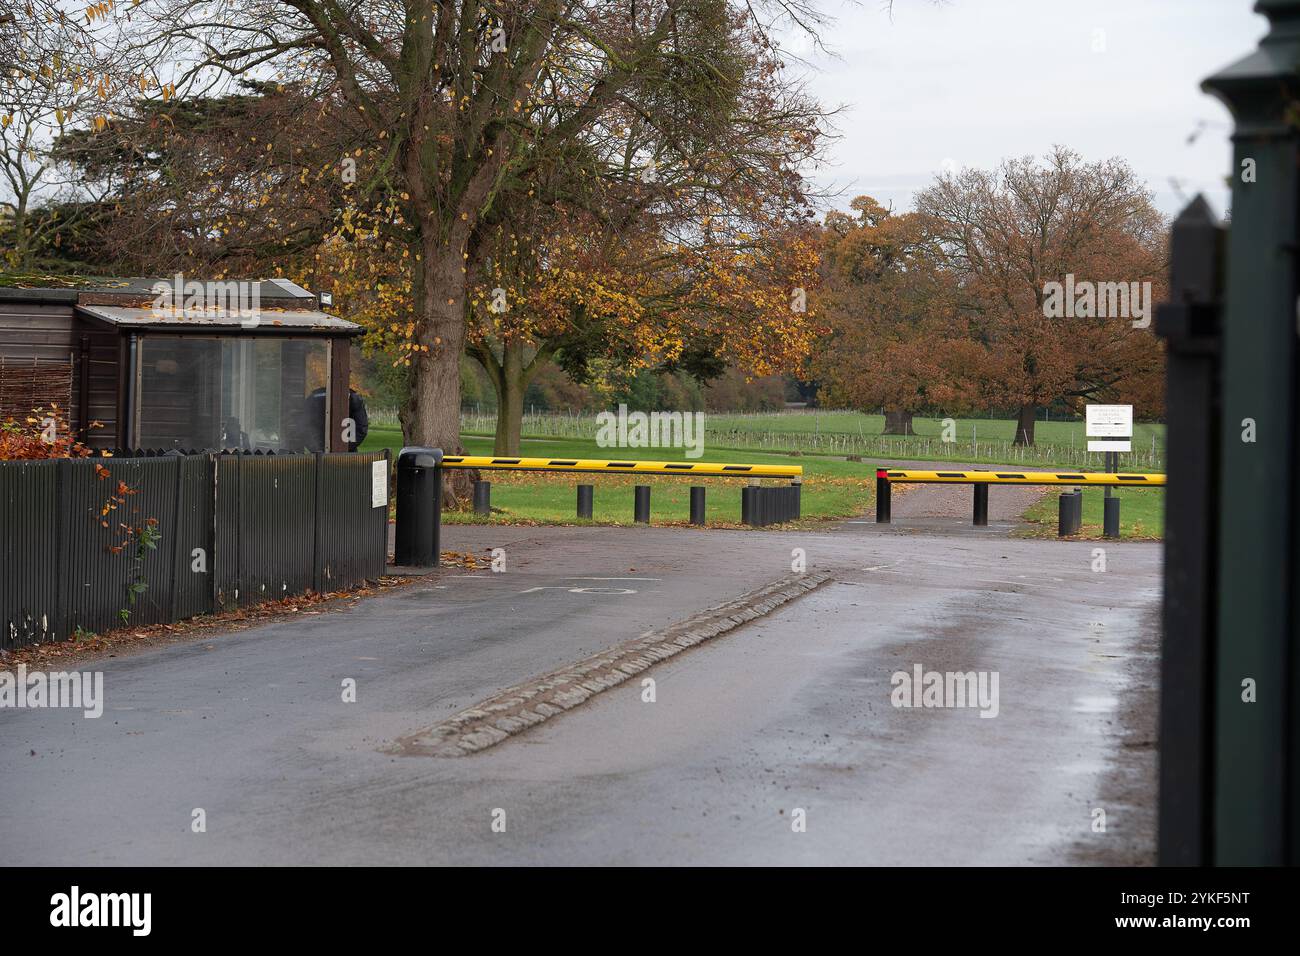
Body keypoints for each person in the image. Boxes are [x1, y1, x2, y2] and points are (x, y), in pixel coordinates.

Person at [305, 387, 369, 451]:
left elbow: (304, 427)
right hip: (346, 453)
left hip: (320, 453)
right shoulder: (353, 396)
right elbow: (361, 427)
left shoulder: (314, 397)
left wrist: (317, 449)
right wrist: (346, 447)